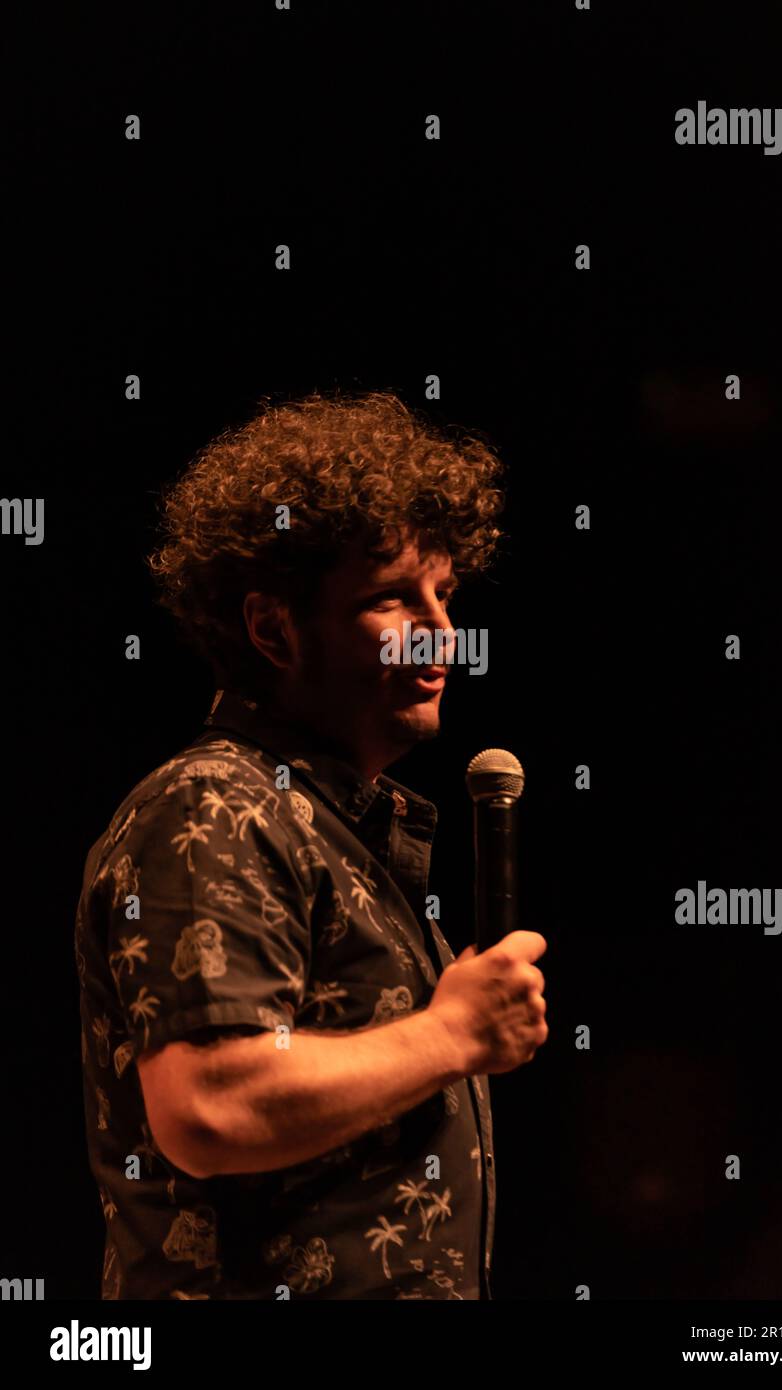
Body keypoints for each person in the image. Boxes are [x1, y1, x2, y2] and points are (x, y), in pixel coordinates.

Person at [75, 390, 548, 1300]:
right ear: (272, 628)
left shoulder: (337, 830)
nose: (442, 631)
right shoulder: (213, 805)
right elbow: (211, 1107)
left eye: (443, 595)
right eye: (389, 599)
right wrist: (453, 1032)